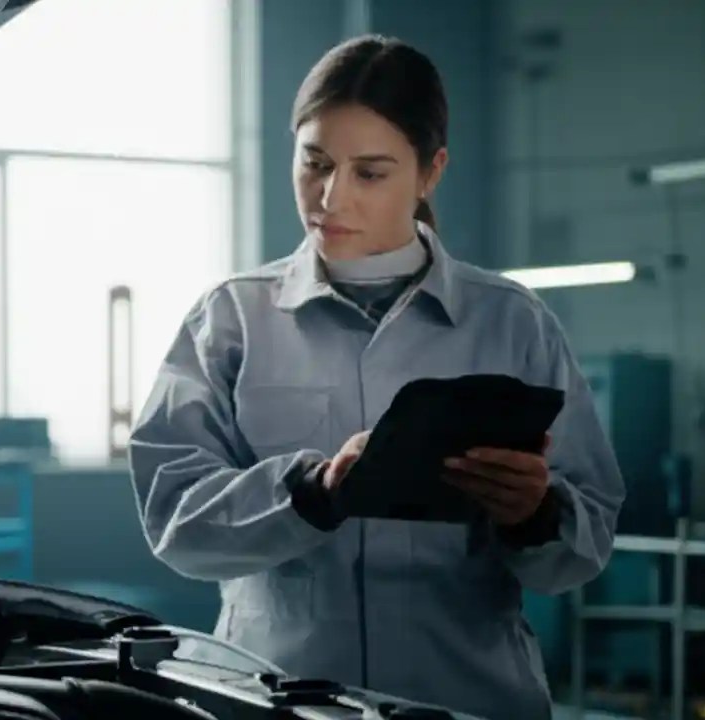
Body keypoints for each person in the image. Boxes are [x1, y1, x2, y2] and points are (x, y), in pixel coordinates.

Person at [128, 35, 624, 720]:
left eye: (370, 173)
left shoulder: (513, 323)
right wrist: (312, 491)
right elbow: (175, 517)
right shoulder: (233, 318)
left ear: (430, 172)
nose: (330, 197)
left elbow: (588, 537)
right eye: (315, 163)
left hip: (467, 698)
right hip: (276, 700)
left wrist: (535, 512)